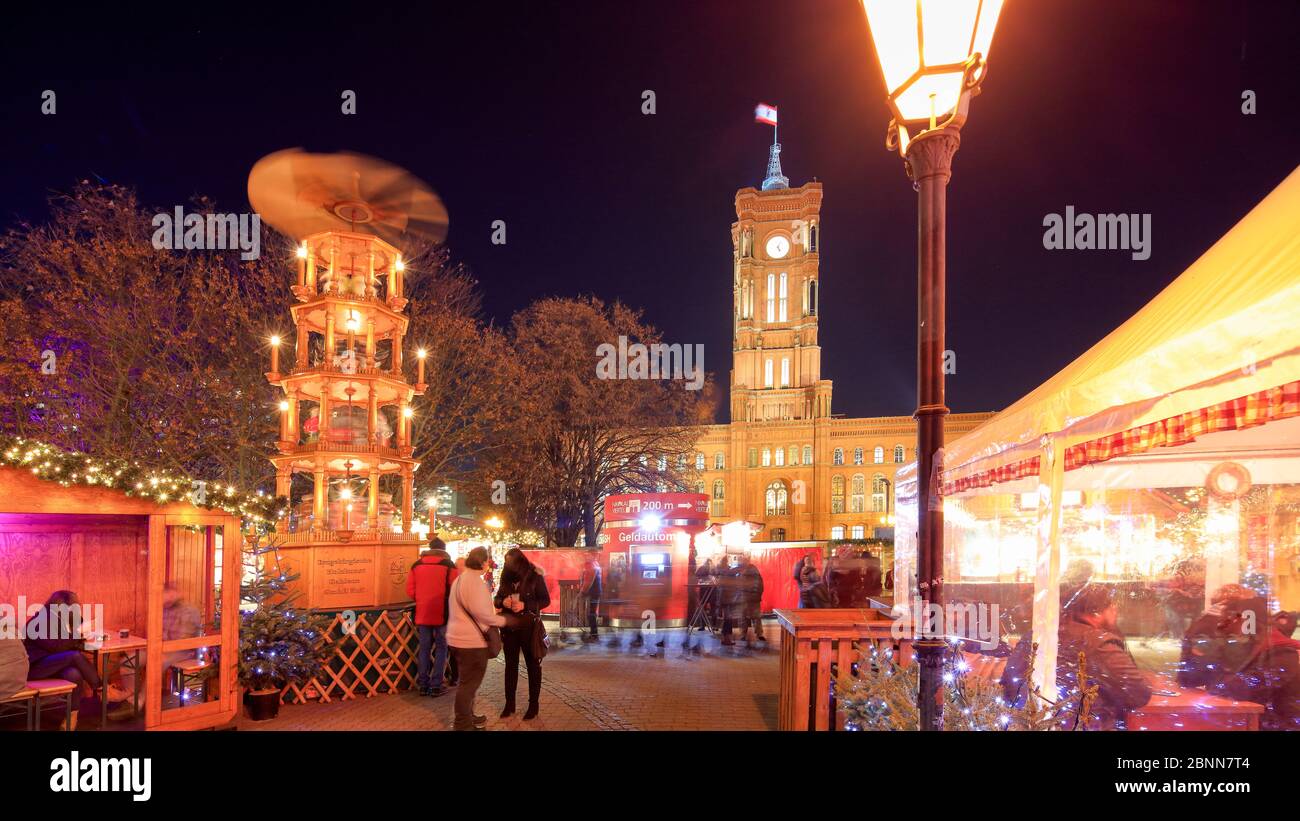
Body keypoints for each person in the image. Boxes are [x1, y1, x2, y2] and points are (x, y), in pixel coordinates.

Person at [1002, 583, 1151, 729]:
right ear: (1098, 612)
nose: (1115, 613)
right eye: (1112, 608)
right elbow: (1138, 694)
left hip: (1031, 725)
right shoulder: (1098, 643)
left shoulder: (1033, 636)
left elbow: (1008, 687)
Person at [1180, 584, 1300, 729]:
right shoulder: (1233, 646)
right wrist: (1201, 629)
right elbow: (1188, 679)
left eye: (1230, 614)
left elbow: (1239, 688)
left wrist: (1217, 679)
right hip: (1238, 721)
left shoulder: (1282, 652)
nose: (1223, 622)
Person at [23, 591, 130, 722]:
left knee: (74, 674)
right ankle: (103, 690)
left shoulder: (71, 618)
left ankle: (71, 716)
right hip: (35, 667)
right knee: (74, 656)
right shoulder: (40, 622)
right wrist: (79, 633)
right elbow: (57, 648)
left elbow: (73, 642)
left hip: (57, 664)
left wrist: (88, 635)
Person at [447, 547, 506, 731]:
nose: (489, 564)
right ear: (481, 562)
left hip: (457, 638)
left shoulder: (461, 579)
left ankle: (468, 716)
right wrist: (504, 620)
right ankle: (462, 724)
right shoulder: (475, 583)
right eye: (487, 560)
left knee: (467, 682)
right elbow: (484, 615)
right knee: (468, 685)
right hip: (471, 642)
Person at [494, 548, 550, 720]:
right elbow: (497, 598)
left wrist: (525, 605)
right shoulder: (505, 576)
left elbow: (545, 600)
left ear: (520, 562)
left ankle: (534, 705)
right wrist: (502, 601)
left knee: (533, 666)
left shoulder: (534, 575)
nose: (508, 566)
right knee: (510, 666)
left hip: (529, 628)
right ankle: (509, 704)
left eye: (511, 563)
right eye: (506, 562)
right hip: (509, 628)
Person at [406, 539, 458, 697]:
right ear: (443, 549)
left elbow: (409, 590)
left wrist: (421, 599)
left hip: (423, 612)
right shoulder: (449, 565)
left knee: (424, 648)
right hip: (442, 612)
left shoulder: (416, 565)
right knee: (442, 648)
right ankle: (436, 685)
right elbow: (455, 588)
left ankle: (422, 684)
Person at [735, 554, 766, 645]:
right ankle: (754, 634)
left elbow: (758, 584)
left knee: (749, 617)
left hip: (749, 597)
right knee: (750, 617)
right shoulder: (750, 570)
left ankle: (746, 634)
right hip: (749, 597)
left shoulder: (743, 571)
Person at [579, 554, 602, 641]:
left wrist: (583, 591)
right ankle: (594, 634)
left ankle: (594, 635)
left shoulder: (591, 565)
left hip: (593, 593)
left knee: (591, 614)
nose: (585, 557)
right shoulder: (595, 564)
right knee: (591, 613)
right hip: (595, 592)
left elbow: (589, 580)